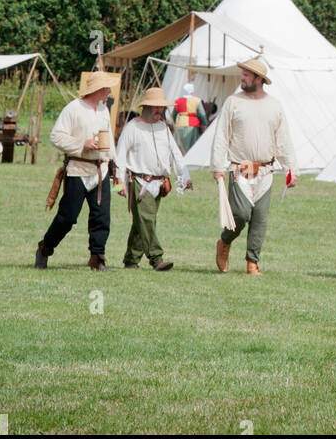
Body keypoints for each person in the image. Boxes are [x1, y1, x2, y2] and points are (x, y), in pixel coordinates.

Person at [212, 52, 296, 275]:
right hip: (239, 169)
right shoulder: (233, 102)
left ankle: (252, 262)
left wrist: (291, 169)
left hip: (265, 170)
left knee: (260, 218)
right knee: (239, 214)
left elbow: (284, 139)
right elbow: (221, 135)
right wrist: (217, 167)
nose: (243, 78)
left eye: (247, 75)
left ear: (259, 79)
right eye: (243, 74)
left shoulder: (274, 105)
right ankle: (225, 242)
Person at [35, 70, 117, 272]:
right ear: (97, 89)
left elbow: (110, 140)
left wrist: (114, 166)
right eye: (106, 87)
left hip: (101, 170)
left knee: (102, 217)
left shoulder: (104, 110)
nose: (109, 91)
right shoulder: (73, 109)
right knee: (68, 216)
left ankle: (97, 257)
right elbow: (56, 136)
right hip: (78, 169)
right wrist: (83, 143)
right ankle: (45, 248)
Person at [116, 86, 192, 271]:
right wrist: (118, 183)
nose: (160, 111)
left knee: (141, 223)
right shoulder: (132, 127)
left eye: (162, 107)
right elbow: (120, 156)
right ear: (147, 107)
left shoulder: (163, 127)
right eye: (156, 107)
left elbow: (175, 153)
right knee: (147, 220)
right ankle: (157, 258)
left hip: (159, 184)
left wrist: (184, 175)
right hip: (139, 182)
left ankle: (131, 260)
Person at [173, 83, 209, 154]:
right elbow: (202, 114)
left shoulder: (178, 101)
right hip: (192, 125)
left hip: (179, 124)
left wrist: (172, 124)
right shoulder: (197, 100)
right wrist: (204, 123)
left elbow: (173, 115)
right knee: (191, 148)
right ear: (192, 91)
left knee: (179, 147)